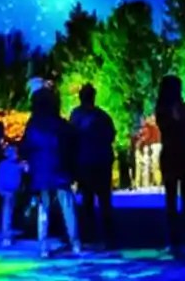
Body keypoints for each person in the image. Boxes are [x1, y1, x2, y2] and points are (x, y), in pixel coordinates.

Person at [21, 88, 80, 259]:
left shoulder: (33, 124)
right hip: (60, 169)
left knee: (43, 209)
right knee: (67, 206)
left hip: (40, 171)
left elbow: (26, 147)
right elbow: (72, 143)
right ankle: (75, 242)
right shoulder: (60, 124)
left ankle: (43, 246)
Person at [69, 83, 116, 249]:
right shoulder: (102, 116)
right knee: (104, 201)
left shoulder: (76, 116)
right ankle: (107, 236)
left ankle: (90, 236)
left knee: (87, 201)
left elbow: (71, 138)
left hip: (85, 162)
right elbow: (111, 136)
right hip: (101, 160)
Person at [155, 75, 185, 254]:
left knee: (173, 199)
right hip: (183, 156)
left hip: (172, 155)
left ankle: (176, 239)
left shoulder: (162, 110)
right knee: (184, 199)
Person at [0, 144, 26, 247]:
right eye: (13, 152)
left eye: (16, 152)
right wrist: (1, 190)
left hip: (18, 193)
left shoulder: (19, 165)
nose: (15, 154)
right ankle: (6, 236)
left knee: (18, 213)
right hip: (8, 193)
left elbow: (26, 171)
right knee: (7, 214)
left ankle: (23, 230)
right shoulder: (3, 165)